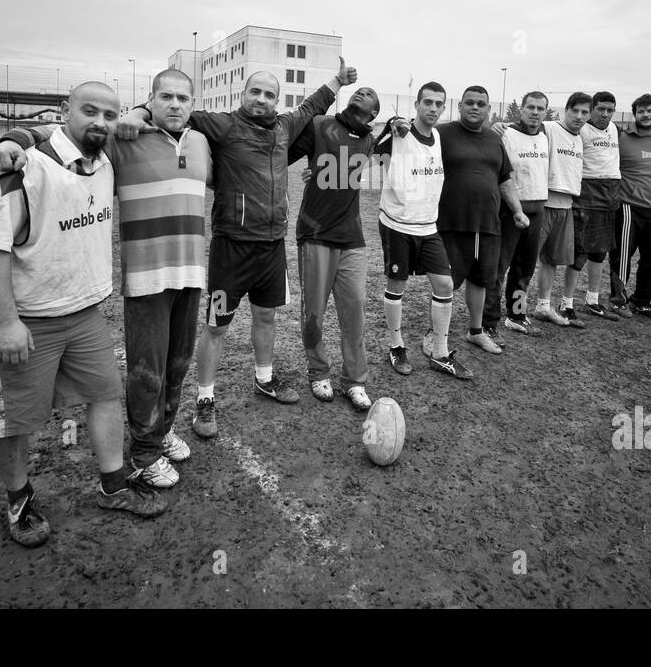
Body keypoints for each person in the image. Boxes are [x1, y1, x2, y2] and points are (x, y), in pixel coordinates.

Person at [0, 70, 212, 492]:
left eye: (183, 97)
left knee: (178, 365)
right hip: (146, 278)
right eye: (166, 97)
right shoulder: (121, 139)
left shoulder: (199, 143)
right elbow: (62, 134)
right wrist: (12, 140)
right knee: (147, 371)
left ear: (192, 103)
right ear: (150, 100)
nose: (175, 104)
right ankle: (144, 455)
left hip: (191, 273)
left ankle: (162, 432)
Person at [0, 82, 165, 549]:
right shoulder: (25, 168)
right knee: (11, 420)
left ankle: (113, 487)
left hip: (83, 314)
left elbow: (140, 122)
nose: (100, 122)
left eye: (109, 114)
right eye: (89, 111)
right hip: (25, 318)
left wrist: (136, 115)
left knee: (105, 396)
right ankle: (18, 499)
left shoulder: (106, 164)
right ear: (64, 111)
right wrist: (7, 322)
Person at [121, 59, 357, 435]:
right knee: (217, 326)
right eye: (255, 92)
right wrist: (137, 110)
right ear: (242, 94)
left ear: (277, 101)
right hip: (231, 250)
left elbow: (313, 106)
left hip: (271, 247)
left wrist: (337, 82)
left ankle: (264, 378)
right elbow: (178, 111)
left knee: (266, 317)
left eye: (269, 94)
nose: (261, 99)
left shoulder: (284, 127)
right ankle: (205, 400)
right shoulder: (225, 125)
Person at [285, 86, 382, 410]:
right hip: (315, 233)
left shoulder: (369, 142)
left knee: (354, 310)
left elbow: (369, 154)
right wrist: (311, 167)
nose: (362, 91)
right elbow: (286, 153)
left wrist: (399, 127)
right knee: (313, 311)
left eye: (369, 94)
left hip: (351, 237)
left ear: (373, 114)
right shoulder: (320, 125)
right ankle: (318, 371)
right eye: (359, 91)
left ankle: (355, 381)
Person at [375, 82, 468, 378]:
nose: (433, 108)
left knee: (444, 284)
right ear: (416, 104)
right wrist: (392, 124)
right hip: (397, 224)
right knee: (396, 285)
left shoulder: (439, 137)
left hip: (428, 226)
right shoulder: (401, 133)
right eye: (427, 102)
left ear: (444, 108)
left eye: (439, 104)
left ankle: (440, 352)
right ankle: (396, 345)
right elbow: (376, 150)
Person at [435, 86, 530, 359]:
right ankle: (434, 335)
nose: (475, 107)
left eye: (481, 104)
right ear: (460, 107)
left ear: (489, 109)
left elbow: (505, 178)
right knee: (446, 282)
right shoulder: (443, 133)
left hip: (489, 223)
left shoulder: (494, 140)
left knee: (481, 279)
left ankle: (476, 331)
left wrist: (517, 210)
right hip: (451, 221)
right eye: (469, 103)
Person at [482, 91, 549, 344]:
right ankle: (488, 322)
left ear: (545, 112)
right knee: (498, 269)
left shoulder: (545, 136)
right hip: (509, 212)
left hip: (537, 211)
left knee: (525, 268)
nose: (535, 112)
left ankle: (516, 315)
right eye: (530, 107)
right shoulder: (505, 134)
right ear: (521, 109)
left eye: (540, 108)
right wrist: (494, 126)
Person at [609, 93, 651, 320]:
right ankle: (618, 301)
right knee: (622, 255)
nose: (645, 115)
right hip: (628, 206)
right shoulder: (621, 138)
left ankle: (642, 301)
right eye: (641, 111)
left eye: (650, 111)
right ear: (634, 114)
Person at [530, 93, 590, 327]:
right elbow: (525, 127)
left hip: (566, 206)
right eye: (575, 111)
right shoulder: (550, 128)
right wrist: (501, 127)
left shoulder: (580, 137)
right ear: (566, 110)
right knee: (524, 262)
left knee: (552, 261)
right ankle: (515, 311)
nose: (579, 116)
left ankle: (543, 307)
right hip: (543, 204)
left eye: (585, 112)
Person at [565, 91, 622, 323]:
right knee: (580, 254)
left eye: (610, 110)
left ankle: (592, 300)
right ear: (592, 109)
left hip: (610, 199)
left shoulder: (615, 129)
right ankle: (566, 303)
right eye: (600, 109)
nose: (605, 114)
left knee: (600, 253)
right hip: (586, 198)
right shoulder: (581, 130)